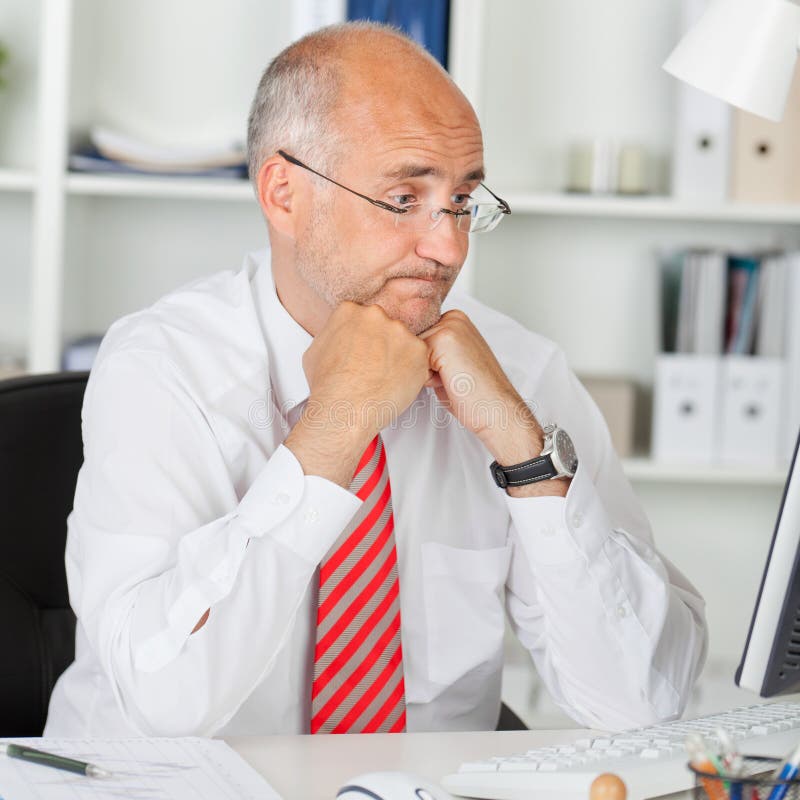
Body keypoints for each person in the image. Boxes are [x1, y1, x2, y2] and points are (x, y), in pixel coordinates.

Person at [45, 22, 707, 738]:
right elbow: (167, 702)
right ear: (283, 193)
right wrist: (334, 428)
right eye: (402, 199)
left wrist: (526, 454)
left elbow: (644, 704)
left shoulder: (519, 371)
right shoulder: (161, 367)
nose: (448, 246)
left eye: (461, 200)